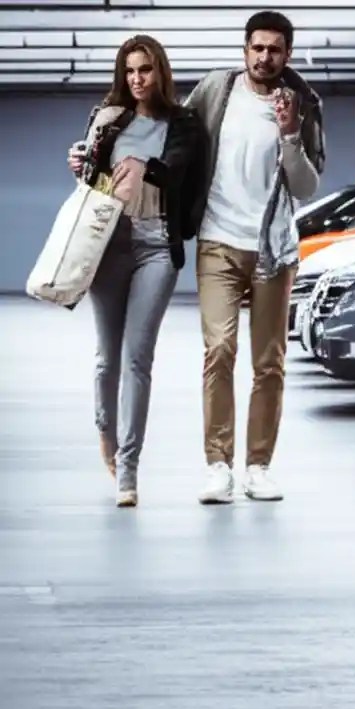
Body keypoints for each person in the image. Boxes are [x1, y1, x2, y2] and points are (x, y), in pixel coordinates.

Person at [182, 11, 326, 504]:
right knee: (219, 350)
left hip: (273, 249)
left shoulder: (302, 105)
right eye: (257, 48)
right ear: (245, 49)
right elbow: (176, 138)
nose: (265, 57)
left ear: (287, 54)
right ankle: (218, 465)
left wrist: (290, 133)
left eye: (274, 50)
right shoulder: (215, 91)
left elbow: (305, 187)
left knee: (269, 363)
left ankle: (258, 466)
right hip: (218, 240)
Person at [66, 35, 208, 508]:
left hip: (157, 246)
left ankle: (128, 470)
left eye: (145, 69)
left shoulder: (184, 124)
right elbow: (93, 181)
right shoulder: (108, 118)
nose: (137, 79)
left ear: (159, 71)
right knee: (107, 359)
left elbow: (178, 173)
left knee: (137, 359)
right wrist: (80, 164)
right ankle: (105, 430)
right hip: (108, 243)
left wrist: (142, 166)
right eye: (129, 71)